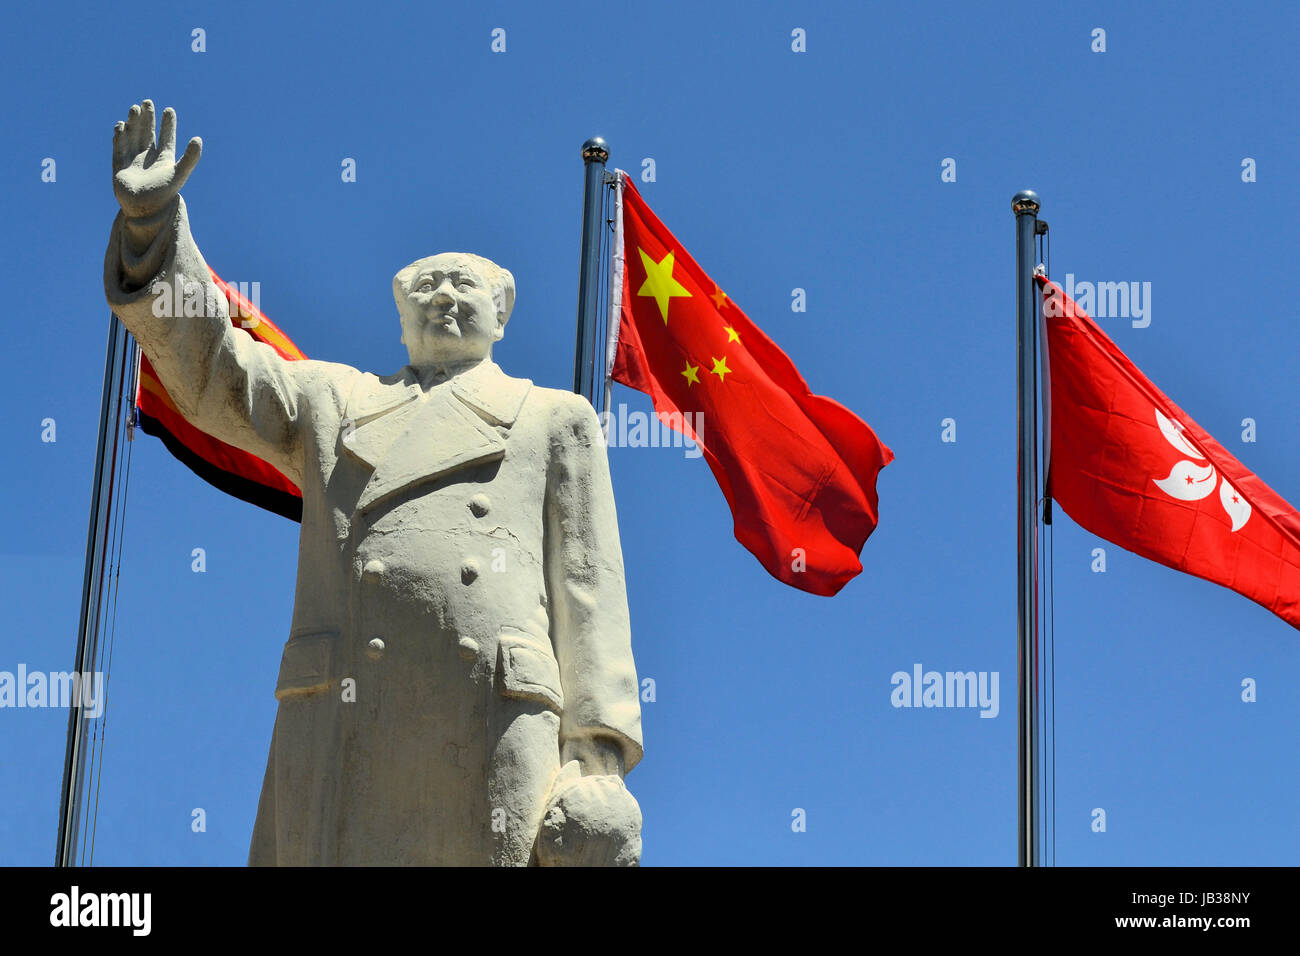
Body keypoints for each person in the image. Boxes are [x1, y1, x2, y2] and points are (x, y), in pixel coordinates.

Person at [103, 100, 644, 866]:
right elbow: (218, 372)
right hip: (341, 718)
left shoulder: (555, 417)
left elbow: (591, 593)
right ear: (400, 317)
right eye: (427, 286)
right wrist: (152, 230)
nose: (445, 295)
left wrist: (599, 759)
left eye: (464, 284)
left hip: (495, 722)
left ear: (502, 315)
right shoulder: (337, 401)